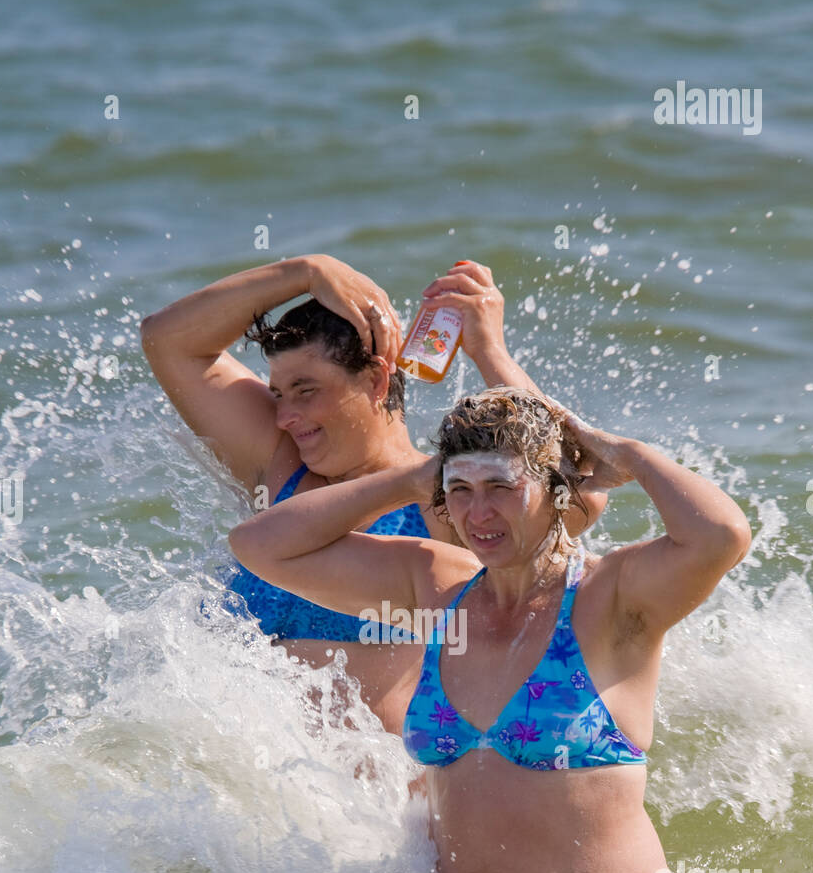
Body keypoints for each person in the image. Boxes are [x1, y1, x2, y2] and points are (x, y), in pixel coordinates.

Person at [226, 387, 752, 873]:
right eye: (461, 489)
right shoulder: (433, 589)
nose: (478, 512)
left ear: (556, 489)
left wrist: (626, 455)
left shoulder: (611, 599)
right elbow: (259, 545)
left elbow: (721, 535)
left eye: (502, 487)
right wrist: (411, 479)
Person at [141, 257, 603, 733]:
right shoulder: (279, 466)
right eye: (278, 394)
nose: (284, 416)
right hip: (212, 768)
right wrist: (305, 272)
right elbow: (170, 342)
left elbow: (563, 490)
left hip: (349, 792)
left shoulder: (449, 502)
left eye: (305, 390)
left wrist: (489, 350)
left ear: (377, 379)